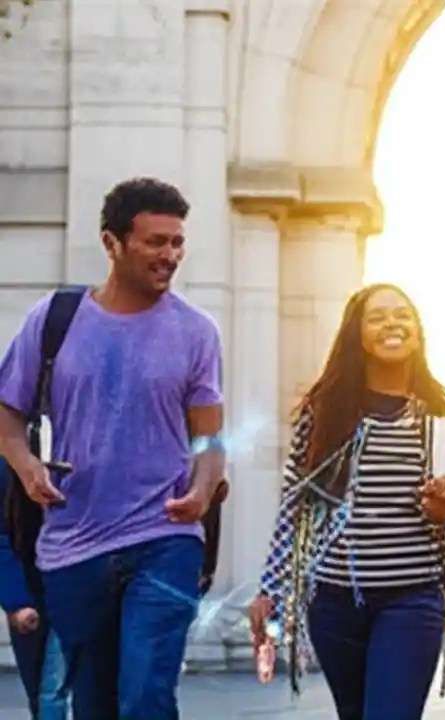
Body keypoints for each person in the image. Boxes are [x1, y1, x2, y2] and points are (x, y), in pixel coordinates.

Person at [0, 177, 225, 720]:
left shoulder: (197, 332)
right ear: (112, 243)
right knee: (94, 704)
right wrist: (27, 467)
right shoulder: (53, 319)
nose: (169, 255)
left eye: (176, 243)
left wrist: (200, 489)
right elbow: (7, 414)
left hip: (164, 539)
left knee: (146, 693)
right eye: (155, 242)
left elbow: (209, 436)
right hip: (74, 545)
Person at [248, 283, 445, 720]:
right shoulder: (326, 411)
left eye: (402, 314)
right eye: (377, 317)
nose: (392, 323)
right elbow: (296, 504)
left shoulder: (444, 411)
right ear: (357, 334)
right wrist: (270, 588)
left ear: (418, 330)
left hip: (412, 597)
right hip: (334, 602)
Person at [0, 467, 69, 719]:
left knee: (53, 689)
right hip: (32, 589)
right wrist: (17, 602)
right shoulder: (9, 461)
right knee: (41, 689)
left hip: (80, 584)